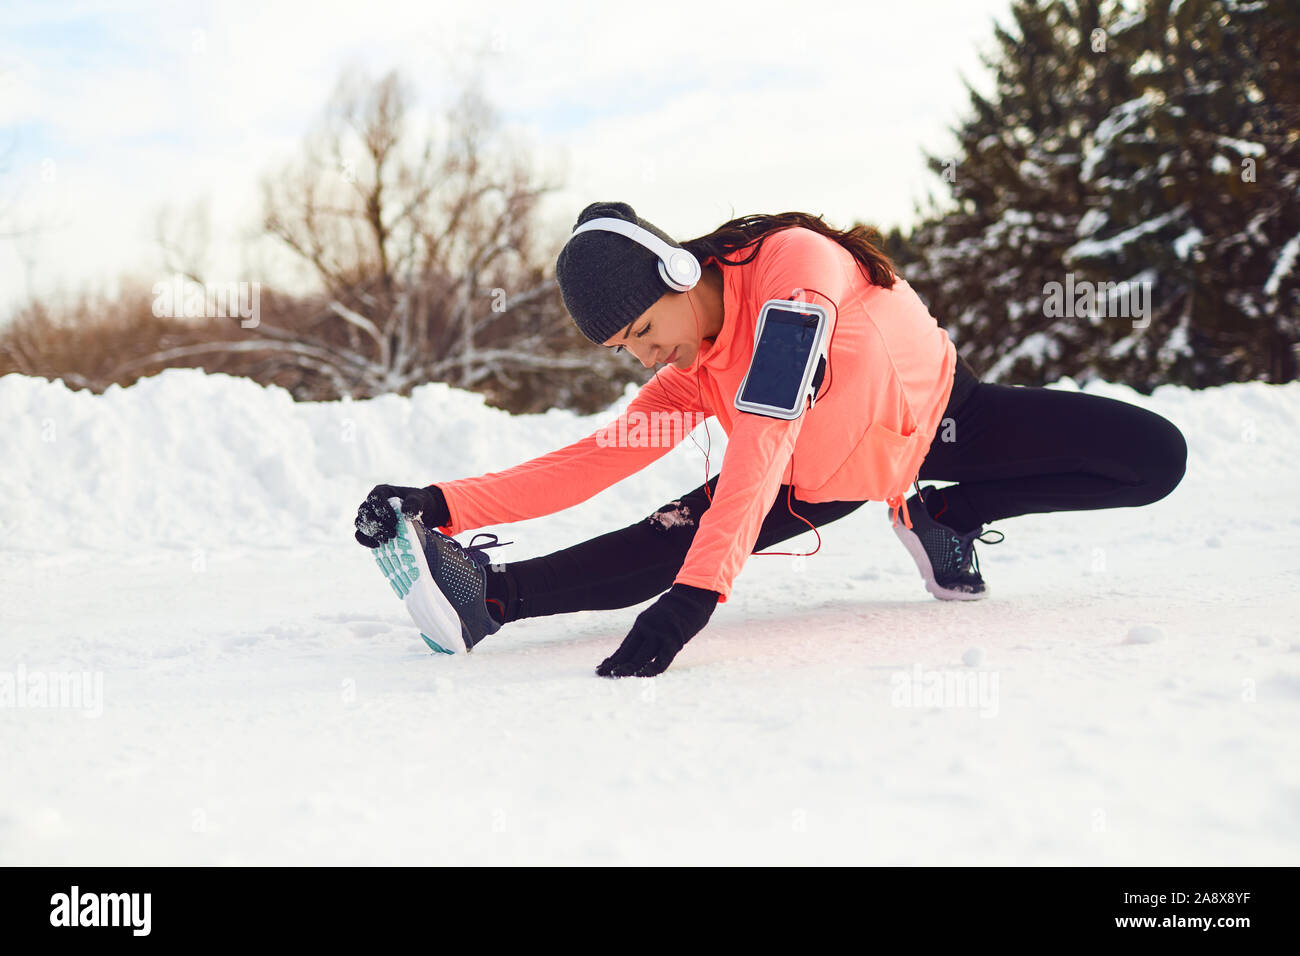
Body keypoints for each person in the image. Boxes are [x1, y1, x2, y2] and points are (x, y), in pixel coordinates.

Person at [354, 201, 1187, 677]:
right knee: (673, 538)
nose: (646, 357)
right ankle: (489, 597)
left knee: (1154, 458)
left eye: (645, 330)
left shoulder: (794, 265)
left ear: (681, 273)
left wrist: (694, 602)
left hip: (942, 423)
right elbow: (597, 459)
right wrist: (441, 502)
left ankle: (949, 516)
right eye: (626, 352)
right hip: (812, 474)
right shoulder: (692, 368)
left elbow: (767, 421)